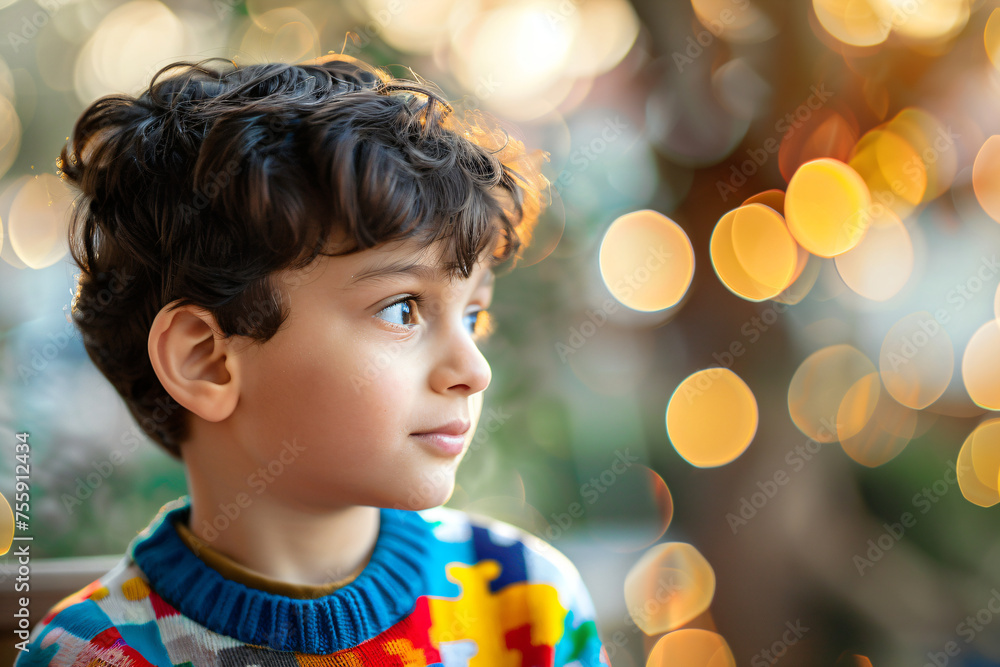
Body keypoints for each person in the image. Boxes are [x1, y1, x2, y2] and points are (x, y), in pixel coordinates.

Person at [14, 53, 609, 666]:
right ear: (206, 361)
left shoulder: (530, 605)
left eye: (473, 315)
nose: (474, 370)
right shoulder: (91, 655)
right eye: (403, 309)